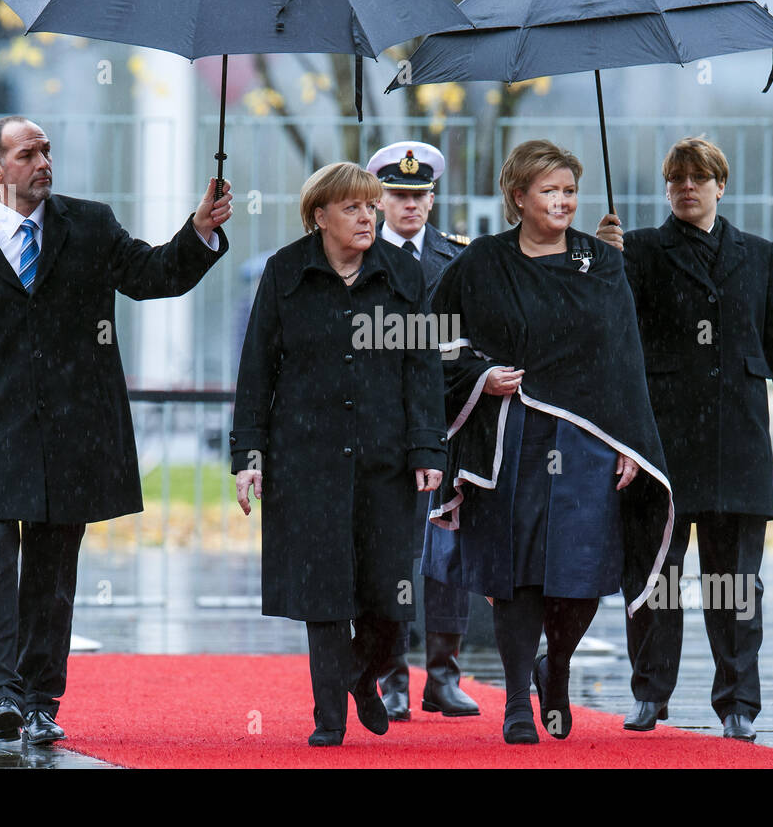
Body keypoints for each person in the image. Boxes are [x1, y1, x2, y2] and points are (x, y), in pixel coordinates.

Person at [0, 116, 232, 745]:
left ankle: (38, 698)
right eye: (28, 153)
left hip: (73, 431)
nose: (44, 162)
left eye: (48, 150)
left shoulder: (91, 224)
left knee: (53, 567)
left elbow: (155, 276)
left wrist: (199, 233)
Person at [424, 139, 673, 744]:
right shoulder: (482, 260)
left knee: (582, 570)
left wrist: (628, 441)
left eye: (569, 191)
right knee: (515, 570)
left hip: (586, 435)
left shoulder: (602, 260)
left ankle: (554, 667)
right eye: (550, 191)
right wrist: (480, 376)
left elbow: (623, 356)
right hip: (510, 438)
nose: (563, 201)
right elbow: (435, 337)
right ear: (518, 197)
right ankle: (514, 699)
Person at [595, 135, 773, 742]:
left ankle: (738, 704)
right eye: (677, 179)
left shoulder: (758, 254)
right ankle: (650, 696)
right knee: (654, 579)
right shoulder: (637, 250)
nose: (687, 187)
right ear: (667, 188)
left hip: (737, 442)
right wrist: (602, 261)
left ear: (720, 186)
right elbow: (608, 329)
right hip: (660, 442)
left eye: (699, 178)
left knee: (735, 585)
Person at [231, 162, 447, 748]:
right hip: (307, 460)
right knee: (324, 593)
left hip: (386, 459)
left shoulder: (403, 272)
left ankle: (360, 676)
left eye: (371, 207)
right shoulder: (284, 272)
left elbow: (422, 369)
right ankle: (329, 717)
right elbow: (257, 370)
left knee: (391, 598)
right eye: (352, 207)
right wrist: (248, 454)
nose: (367, 217)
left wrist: (429, 447)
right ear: (319, 215)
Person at [365, 140, 478, 721]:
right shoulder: (360, 260)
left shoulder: (457, 260)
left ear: (432, 199)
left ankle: (443, 674)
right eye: (398, 195)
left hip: (450, 425)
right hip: (387, 430)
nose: (410, 204)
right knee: (394, 555)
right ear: (380, 198)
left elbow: (468, 346)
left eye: (419, 195)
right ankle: (391, 674)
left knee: (447, 553)